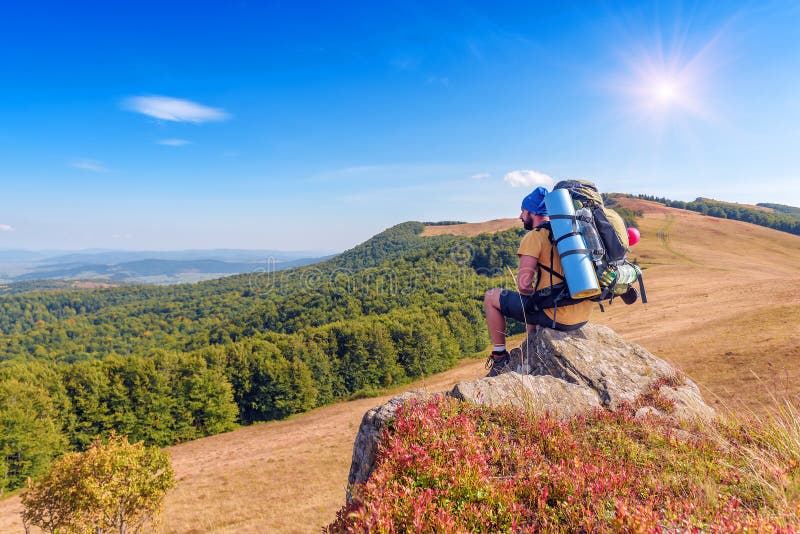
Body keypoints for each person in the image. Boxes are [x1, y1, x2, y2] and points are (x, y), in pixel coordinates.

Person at [483, 186, 593, 375]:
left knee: (491, 296)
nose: (520, 216)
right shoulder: (572, 232)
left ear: (533, 213)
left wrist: (534, 298)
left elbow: (523, 285)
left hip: (557, 316)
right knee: (535, 301)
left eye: (523, 211)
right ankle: (532, 339)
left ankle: (499, 357)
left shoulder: (535, 236)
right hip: (583, 313)